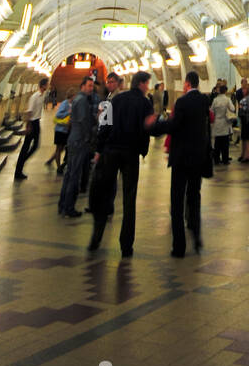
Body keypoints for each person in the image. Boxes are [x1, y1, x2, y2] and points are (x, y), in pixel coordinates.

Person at [146, 70, 212, 257]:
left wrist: (154, 125)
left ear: (186, 84)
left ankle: (179, 246)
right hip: (198, 158)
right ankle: (197, 238)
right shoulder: (203, 101)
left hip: (182, 158)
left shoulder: (182, 102)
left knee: (177, 200)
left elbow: (173, 126)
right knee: (194, 197)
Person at [88, 71, 153, 256]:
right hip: (131, 155)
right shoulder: (145, 103)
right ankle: (126, 245)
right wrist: (143, 149)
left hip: (111, 152)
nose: (148, 87)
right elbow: (148, 129)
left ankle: (97, 236)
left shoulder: (115, 100)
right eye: (147, 83)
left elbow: (104, 125)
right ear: (141, 84)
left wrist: (99, 150)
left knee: (104, 194)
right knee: (129, 199)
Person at [58, 75, 96, 218]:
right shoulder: (81, 101)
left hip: (74, 139)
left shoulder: (79, 100)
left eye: (92, 86)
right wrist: (89, 139)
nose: (91, 88)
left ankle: (62, 205)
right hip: (79, 141)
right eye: (89, 86)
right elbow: (83, 122)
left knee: (69, 174)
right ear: (82, 86)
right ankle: (69, 207)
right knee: (74, 175)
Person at [13, 75, 48, 181]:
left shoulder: (42, 96)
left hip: (36, 122)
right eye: (47, 84)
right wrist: (28, 126)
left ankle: (21, 163)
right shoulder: (35, 96)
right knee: (26, 147)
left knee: (35, 145)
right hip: (32, 123)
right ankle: (18, 170)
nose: (48, 85)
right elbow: (29, 111)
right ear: (43, 85)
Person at [46, 87, 74, 172]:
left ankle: (51, 160)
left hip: (67, 130)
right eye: (74, 96)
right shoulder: (65, 103)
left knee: (62, 148)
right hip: (60, 129)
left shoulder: (72, 104)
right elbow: (58, 115)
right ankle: (58, 167)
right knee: (59, 148)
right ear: (71, 96)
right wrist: (68, 112)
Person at [211, 82, 235, 166]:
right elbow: (233, 108)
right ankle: (225, 159)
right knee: (225, 143)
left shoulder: (215, 100)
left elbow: (212, 111)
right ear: (225, 91)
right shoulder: (227, 99)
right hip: (225, 122)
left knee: (217, 143)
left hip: (217, 122)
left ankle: (216, 159)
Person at [237, 79, 249, 164]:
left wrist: (241, 107)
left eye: (244, 89)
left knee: (247, 139)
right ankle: (243, 154)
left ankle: (247, 156)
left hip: (247, 121)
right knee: (244, 138)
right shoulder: (245, 97)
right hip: (244, 120)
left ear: (247, 90)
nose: (242, 91)